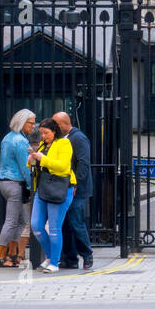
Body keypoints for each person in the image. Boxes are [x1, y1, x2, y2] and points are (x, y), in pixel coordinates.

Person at [28, 118, 76, 274]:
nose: (43, 136)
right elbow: (34, 166)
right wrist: (31, 160)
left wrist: (43, 159)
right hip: (42, 188)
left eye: (46, 133)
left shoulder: (64, 143)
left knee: (55, 228)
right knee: (36, 225)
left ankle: (54, 262)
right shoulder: (43, 145)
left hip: (60, 188)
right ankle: (49, 257)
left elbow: (63, 167)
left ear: (54, 131)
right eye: (41, 133)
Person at [54, 112, 94, 270]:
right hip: (65, 188)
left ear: (64, 124)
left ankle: (87, 254)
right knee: (65, 224)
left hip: (78, 189)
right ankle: (70, 259)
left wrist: (75, 184)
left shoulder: (78, 138)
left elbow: (83, 163)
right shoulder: (62, 139)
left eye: (56, 125)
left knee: (76, 222)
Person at [0, 109, 36, 267]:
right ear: (22, 122)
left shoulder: (7, 137)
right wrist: (32, 185)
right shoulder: (20, 141)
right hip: (15, 184)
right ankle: (1, 257)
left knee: (22, 221)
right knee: (12, 221)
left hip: (5, 182)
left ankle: (12, 255)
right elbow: (26, 167)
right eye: (31, 123)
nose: (33, 126)